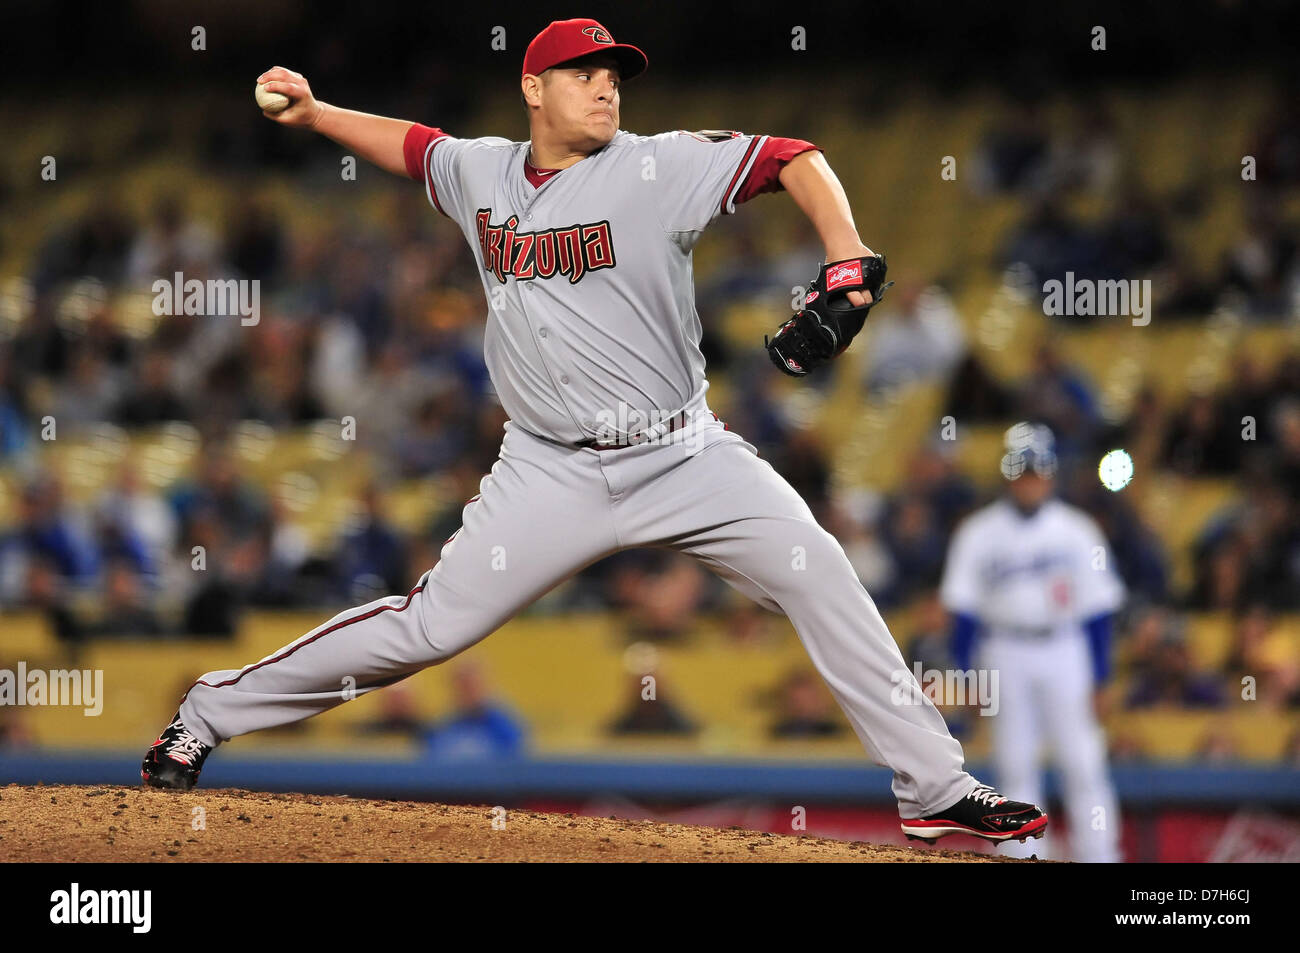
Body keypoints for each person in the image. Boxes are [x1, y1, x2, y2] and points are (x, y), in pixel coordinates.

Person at [142, 18, 1046, 847]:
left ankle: (932, 786)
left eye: (614, 74)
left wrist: (845, 254)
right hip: (548, 471)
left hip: (684, 452)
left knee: (820, 571)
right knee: (426, 629)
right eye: (584, 74)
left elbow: (794, 156)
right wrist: (318, 114)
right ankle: (207, 715)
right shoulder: (482, 172)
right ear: (533, 89)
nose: (608, 88)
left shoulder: (656, 166)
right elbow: (416, 149)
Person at [940, 422, 1123, 861]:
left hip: (1065, 648)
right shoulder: (978, 532)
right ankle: (1022, 857)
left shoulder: (1078, 531)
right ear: (1007, 476)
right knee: (1014, 766)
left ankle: (1099, 856)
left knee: (1083, 762)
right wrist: (966, 677)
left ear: (1052, 475)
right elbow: (962, 613)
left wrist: (1101, 677)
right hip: (1003, 650)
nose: (1030, 481)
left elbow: (1098, 613)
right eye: (1022, 472)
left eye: (1037, 472)